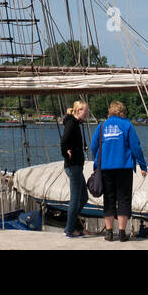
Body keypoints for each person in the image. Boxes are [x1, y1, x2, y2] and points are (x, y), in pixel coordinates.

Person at [91, 100, 146, 242]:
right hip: (124, 167)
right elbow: (136, 147)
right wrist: (143, 166)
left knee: (108, 199)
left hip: (106, 168)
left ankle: (109, 233)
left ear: (110, 111)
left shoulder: (102, 126)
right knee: (123, 199)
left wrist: (97, 161)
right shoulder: (127, 125)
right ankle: (122, 233)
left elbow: (93, 146)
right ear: (122, 112)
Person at [60, 100, 89, 238]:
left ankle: (73, 225)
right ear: (79, 111)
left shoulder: (76, 123)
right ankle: (69, 229)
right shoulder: (71, 123)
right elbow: (64, 141)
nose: (87, 113)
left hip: (77, 166)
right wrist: (66, 153)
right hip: (73, 166)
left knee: (83, 197)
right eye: (85, 111)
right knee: (75, 199)